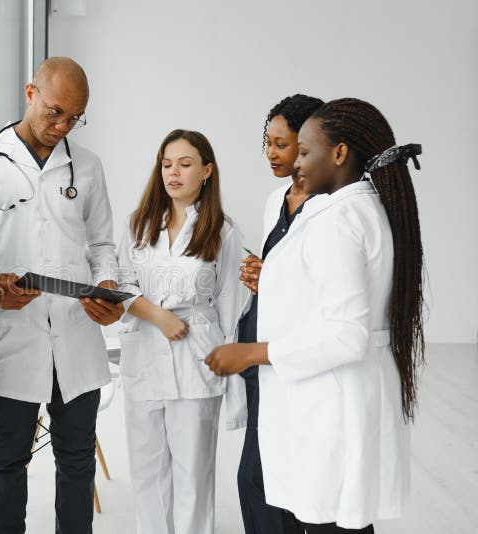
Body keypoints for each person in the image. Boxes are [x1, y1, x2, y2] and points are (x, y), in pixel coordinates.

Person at [207, 98, 424, 533]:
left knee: (327, 522)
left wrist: (252, 352)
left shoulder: (338, 220)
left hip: (330, 406)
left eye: (304, 152)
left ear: (339, 154)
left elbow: (346, 334)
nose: (295, 163)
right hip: (340, 399)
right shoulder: (358, 209)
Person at [0, 56, 122, 534]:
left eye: (74, 117)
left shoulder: (88, 166)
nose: (61, 126)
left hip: (76, 336)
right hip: (14, 335)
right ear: (30, 93)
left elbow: (103, 243)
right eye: (54, 111)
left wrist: (105, 287)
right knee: (6, 462)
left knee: (77, 462)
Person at [116, 129, 242, 534]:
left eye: (185, 164)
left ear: (206, 171)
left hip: (197, 361)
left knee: (193, 477)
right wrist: (158, 316)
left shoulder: (223, 231)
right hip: (145, 360)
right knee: (148, 475)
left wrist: (230, 367)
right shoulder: (139, 225)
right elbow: (120, 287)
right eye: (167, 164)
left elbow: (231, 304)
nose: (174, 172)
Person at [236, 94, 323, 534]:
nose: (271, 152)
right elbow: (279, 271)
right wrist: (258, 275)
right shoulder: (277, 199)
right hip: (261, 356)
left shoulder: (331, 207)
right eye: (266, 142)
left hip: (296, 359)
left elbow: (325, 289)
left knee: (281, 479)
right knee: (258, 478)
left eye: (281, 144)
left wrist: (274, 279)